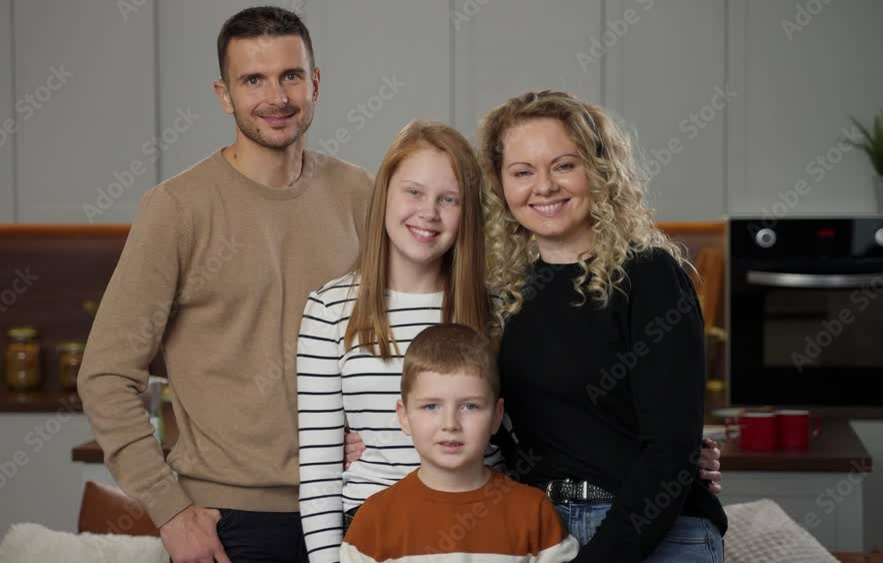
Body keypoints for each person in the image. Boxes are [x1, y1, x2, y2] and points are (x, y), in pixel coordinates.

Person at [77, 7, 373, 562]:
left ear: (315, 82)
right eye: (253, 79)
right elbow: (105, 375)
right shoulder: (176, 209)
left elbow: (400, 342)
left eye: (290, 75)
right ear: (223, 94)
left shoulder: (359, 192)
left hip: (353, 503)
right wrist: (170, 511)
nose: (276, 97)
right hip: (233, 522)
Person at [479, 90, 727, 562]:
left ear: (599, 170)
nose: (544, 186)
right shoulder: (507, 292)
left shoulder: (650, 276)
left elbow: (670, 449)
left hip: (655, 531)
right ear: (500, 185)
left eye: (564, 165)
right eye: (523, 171)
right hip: (543, 527)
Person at [296, 120, 506, 563]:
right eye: (413, 192)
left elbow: (523, 432)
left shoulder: (498, 309)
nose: (428, 212)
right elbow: (317, 473)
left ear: (466, 213)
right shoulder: (330, 310)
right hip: (375, 532)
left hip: (485, 529)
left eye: (448, 199)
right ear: (385, 195)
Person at [339, 324, 580, 563]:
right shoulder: (374, 520)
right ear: (404, 416)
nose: (450, 424)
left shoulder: (534, 513)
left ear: (497, 415)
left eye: (469, 406)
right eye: (431, 406)